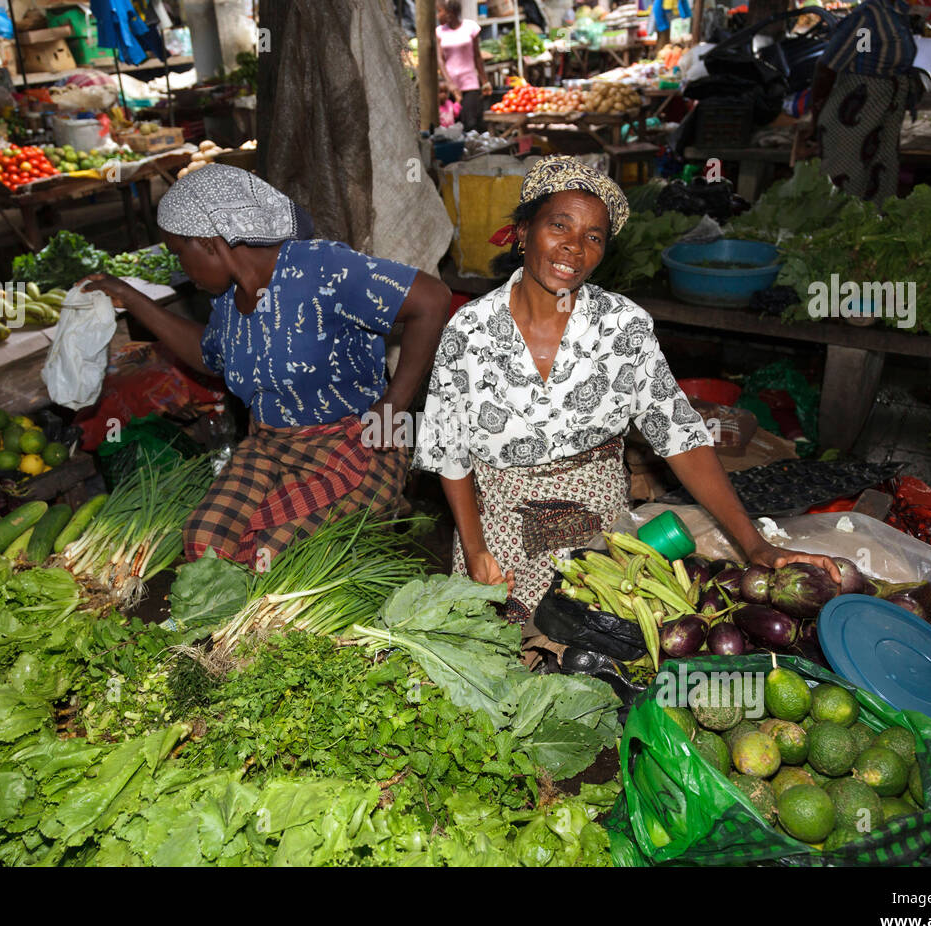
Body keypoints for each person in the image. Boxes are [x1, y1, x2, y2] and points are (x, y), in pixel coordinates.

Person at [413, 156, 841, 623]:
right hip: (497, 544)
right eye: (560, 225)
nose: (574, 247)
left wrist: (756, 543)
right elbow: (449, 451)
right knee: (497, 665)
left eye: (593, 237)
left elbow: (679, 437)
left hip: (601, 545)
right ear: (522, 231)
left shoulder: (622, 327)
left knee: (590, 663)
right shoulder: (469, 331)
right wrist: (475, 550)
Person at [85, 165, 451, 566]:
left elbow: (431, 300)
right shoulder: (228, 300)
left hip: (352, 442)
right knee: (205, 543)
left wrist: (393, 405)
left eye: (179, 254)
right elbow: (209, 356)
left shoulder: (322, 269)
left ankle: (382, 509)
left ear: (208, 243)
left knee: (274, 556)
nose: (182, 271)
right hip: (269, 446)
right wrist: (133, 298)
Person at [808, 0, 924, 204]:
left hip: (881, 111)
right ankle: (837, 229)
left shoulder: (895, 15)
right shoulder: (869, 18)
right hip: (856, 111)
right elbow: (827, 68)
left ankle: (869, 226)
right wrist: (815, 117)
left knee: (877, 173)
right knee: (847, 172)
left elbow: (864, 52)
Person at [436, 0, 492, 133]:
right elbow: (440, 59)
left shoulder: (470, 27)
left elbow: (477, 56)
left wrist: (484, 81)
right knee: (452, 126)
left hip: (469, 83)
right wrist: (449, 83)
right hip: (450, 87)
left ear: (450, 12)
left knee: (470, 124)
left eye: (440, 11)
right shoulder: (440, 31)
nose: (438, 16)